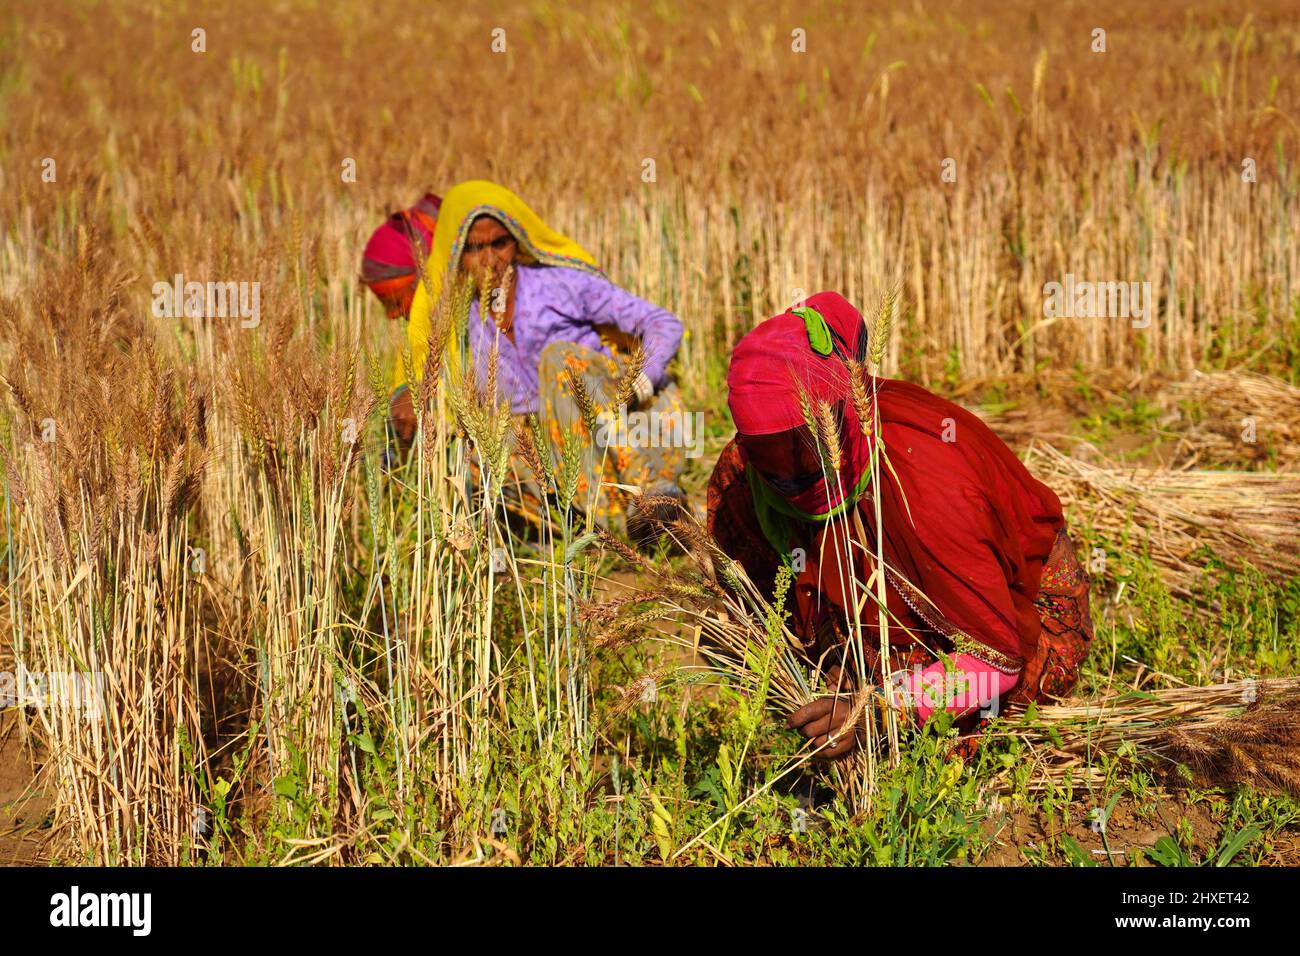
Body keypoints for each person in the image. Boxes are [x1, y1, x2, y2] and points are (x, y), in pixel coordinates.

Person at [706, 291, 1093, 759]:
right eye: (769, 454)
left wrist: (879, 711)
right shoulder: (747, 471)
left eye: (801, 450)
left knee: (934, 748)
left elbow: (995, 659)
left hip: (1020, 618)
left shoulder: (928, 478)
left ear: (841, 415)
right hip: (888, 631)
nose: (786, 478)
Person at [388, 180, 689, 545]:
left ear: (517, 241)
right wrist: (410, 399)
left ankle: (643, 502)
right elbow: (424, 382)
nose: (490, 260)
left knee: (558, 359)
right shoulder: (453, 323)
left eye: (499, 243)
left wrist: (644, 375)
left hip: (617, 426)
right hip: (546, 459)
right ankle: (609, 526)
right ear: (454, 253)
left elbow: (663, 324)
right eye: (474, 248)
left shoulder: (559, 285)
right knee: (463, 456)